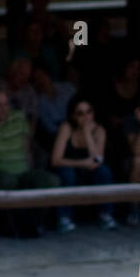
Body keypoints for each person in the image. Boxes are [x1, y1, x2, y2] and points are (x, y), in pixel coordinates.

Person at [0, 82, 59, 237]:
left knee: (50, 181)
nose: (3, 109)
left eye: (6, 104)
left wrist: (31, 169)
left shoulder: (19, 118)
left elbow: (27, 149)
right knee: (8, 181)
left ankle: (37, 223)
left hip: (21, 171)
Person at [50, 96, 116, 232]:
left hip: (90, 171)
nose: (86, 117)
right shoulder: (67, 128)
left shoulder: (99, 130)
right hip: (69, 170)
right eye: (80, 113)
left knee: (104, 171)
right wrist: (82, 163)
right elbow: (56, 160)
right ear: (73, 116)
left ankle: (105, 215)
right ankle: (64, 218)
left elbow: (97, 161)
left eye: (89, 112)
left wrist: (87, 133)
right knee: (67, 173)